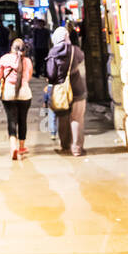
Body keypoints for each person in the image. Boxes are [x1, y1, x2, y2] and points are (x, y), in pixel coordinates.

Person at [45, 25, 87, 157]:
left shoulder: (52, 53)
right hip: (77, 89)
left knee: (62, 118)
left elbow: (50, 74)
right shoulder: (74, 50)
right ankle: (77, 148)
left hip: (60, 92)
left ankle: (65, 146)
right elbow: (81, 58)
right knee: (77, 118)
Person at [0, 37, 33, 160]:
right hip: (24, 93)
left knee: (11, 120)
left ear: (11, 47)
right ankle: (22, 147)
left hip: (8, 93)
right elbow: (28, 77)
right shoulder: (27, 61)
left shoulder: (4, 59)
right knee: (23, 120)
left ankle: (13, 147)